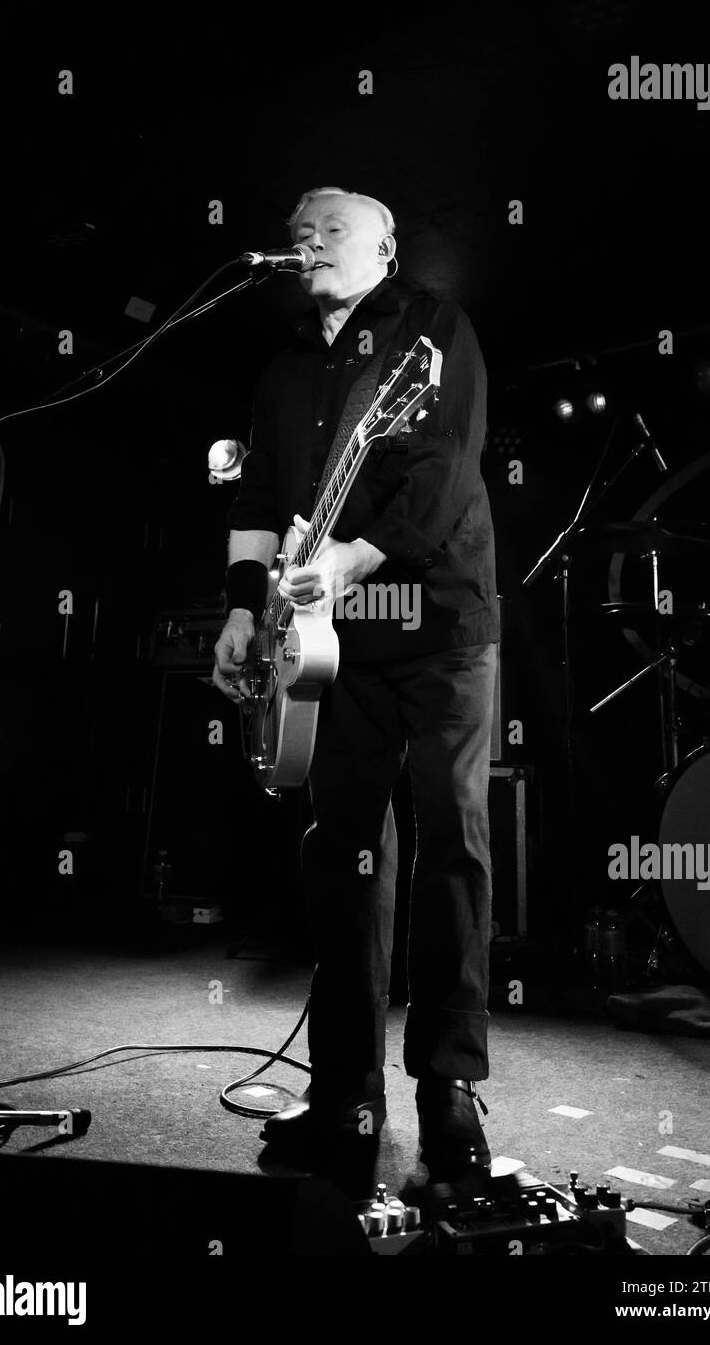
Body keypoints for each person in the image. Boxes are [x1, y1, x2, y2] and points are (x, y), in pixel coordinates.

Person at [213, 186, 500, 1174]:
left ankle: (450, 1087)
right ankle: (344, 1093)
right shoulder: (284, 369)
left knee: (450, 841)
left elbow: (446, 469)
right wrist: (247, 607)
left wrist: (347, 559)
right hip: (330, 643)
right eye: (297, 231)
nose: (308, 241)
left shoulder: (429, 331)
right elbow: (256, 498)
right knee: (340, 852)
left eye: (330, 228)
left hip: (439, 624)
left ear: (384, 247)